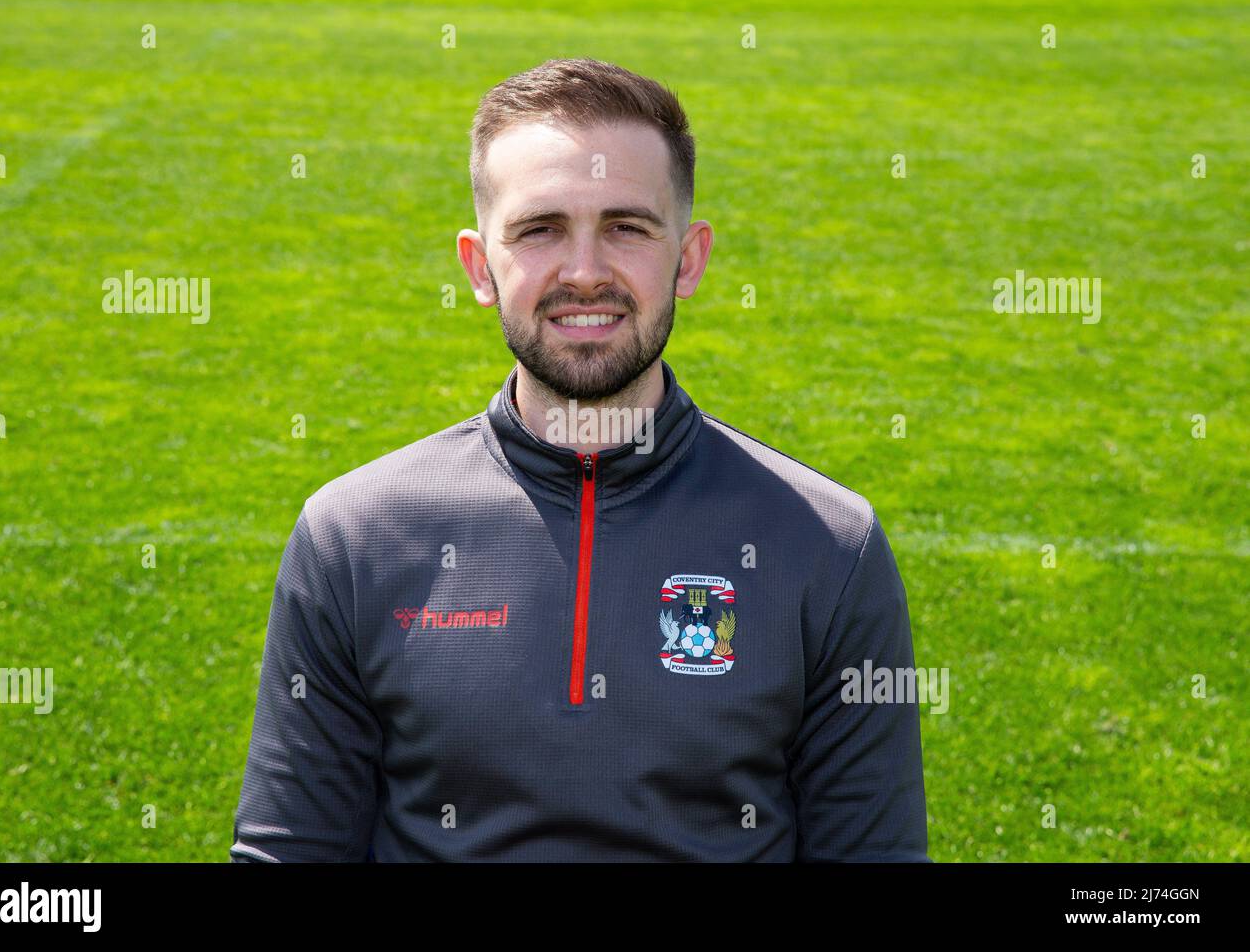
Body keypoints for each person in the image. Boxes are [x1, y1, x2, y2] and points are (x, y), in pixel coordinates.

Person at [230, 57, 928, 862]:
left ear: (690, 259)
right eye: (540, 230)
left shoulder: (828, 546)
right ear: (478, 267)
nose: (586, 273)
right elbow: (292, 850)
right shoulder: (355, 536)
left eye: (627, 227)